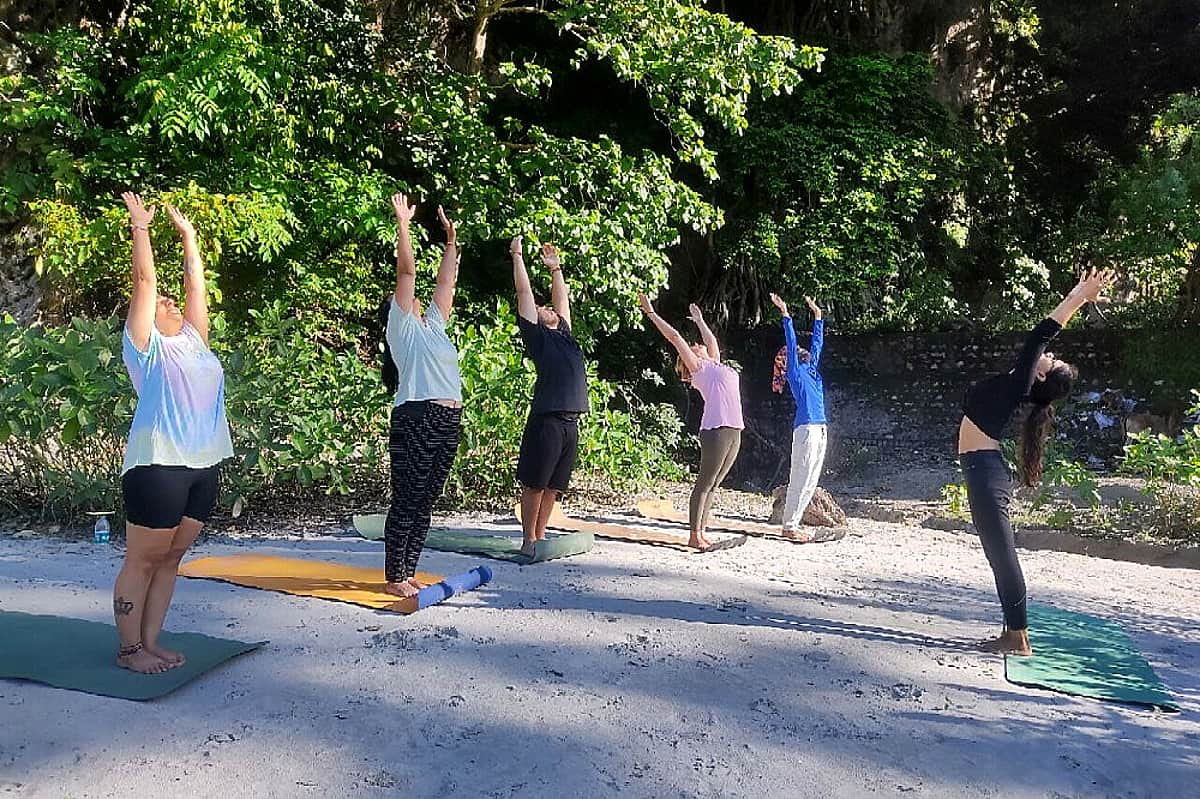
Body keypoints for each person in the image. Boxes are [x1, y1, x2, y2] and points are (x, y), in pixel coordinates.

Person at [959, 267, 1115, 655]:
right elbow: (1037, 343)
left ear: (1043, 374)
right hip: (982, 470)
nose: (1048, 355)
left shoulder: (1021, 384)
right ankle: (1016, 633)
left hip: (984, 472)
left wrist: (1079, 295)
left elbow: (1040, 334)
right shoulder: (1018, 383)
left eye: (1052, 359)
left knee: (1002, 554)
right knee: (999, 554)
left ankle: (1017, 637)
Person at [114, 191, 233, 674]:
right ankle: (128, 652)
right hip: (158, 465)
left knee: (171, 560)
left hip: (204, 465)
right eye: (161, 302)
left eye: (171, 299)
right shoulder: (146, 348)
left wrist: (189, 237)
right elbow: (145, 281)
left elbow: (195, 286)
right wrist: (141, 227)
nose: (169, 300)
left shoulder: (194, 341)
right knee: (143, 561)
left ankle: (150, 642)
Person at [379, 193, 463, 599]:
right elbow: (407, 274)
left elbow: (445, 282)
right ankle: (395, 573)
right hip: (418, 415)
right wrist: (404, 225)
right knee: (408, 496)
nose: (415, 297)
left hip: (448, 418)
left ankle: (408, 570)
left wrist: (450, 241)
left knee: (427, 499)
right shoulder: (402, 329)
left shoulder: (434, 326)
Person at [639, 294, 743, 550]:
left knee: (716, 483)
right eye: (695, 346)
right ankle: (694, 534)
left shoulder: (715, 363)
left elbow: (711, 340)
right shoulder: (700, 369)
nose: (697, 344)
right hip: (715, 430)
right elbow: (675, 338)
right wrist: (651, 314)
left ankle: (702, 530)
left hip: (734, 428)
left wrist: (699, 320)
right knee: (705, 482)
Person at [511, 236, 589, 557]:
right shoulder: (539, 338)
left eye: (548, 308)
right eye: (542, 310)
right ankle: (528, 539)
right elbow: (525, 293)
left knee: (555, 486)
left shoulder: (566, 336)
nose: (547, 308)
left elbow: (563, 302)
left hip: (571, 421)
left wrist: (556, 269)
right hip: (547, 420)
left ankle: (540, 536)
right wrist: (517, 256)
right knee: (536, 483)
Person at [769, 293, 827, 539]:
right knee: (800, 476)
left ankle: (794, 522)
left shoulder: (811, 370)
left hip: (820, 427)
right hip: (805, 428)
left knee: (811, 478)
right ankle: (789, 525)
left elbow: (817, 344)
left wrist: (818, 316)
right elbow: (791, 344)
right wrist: (785, 314)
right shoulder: (794, 372)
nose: (801, 352)